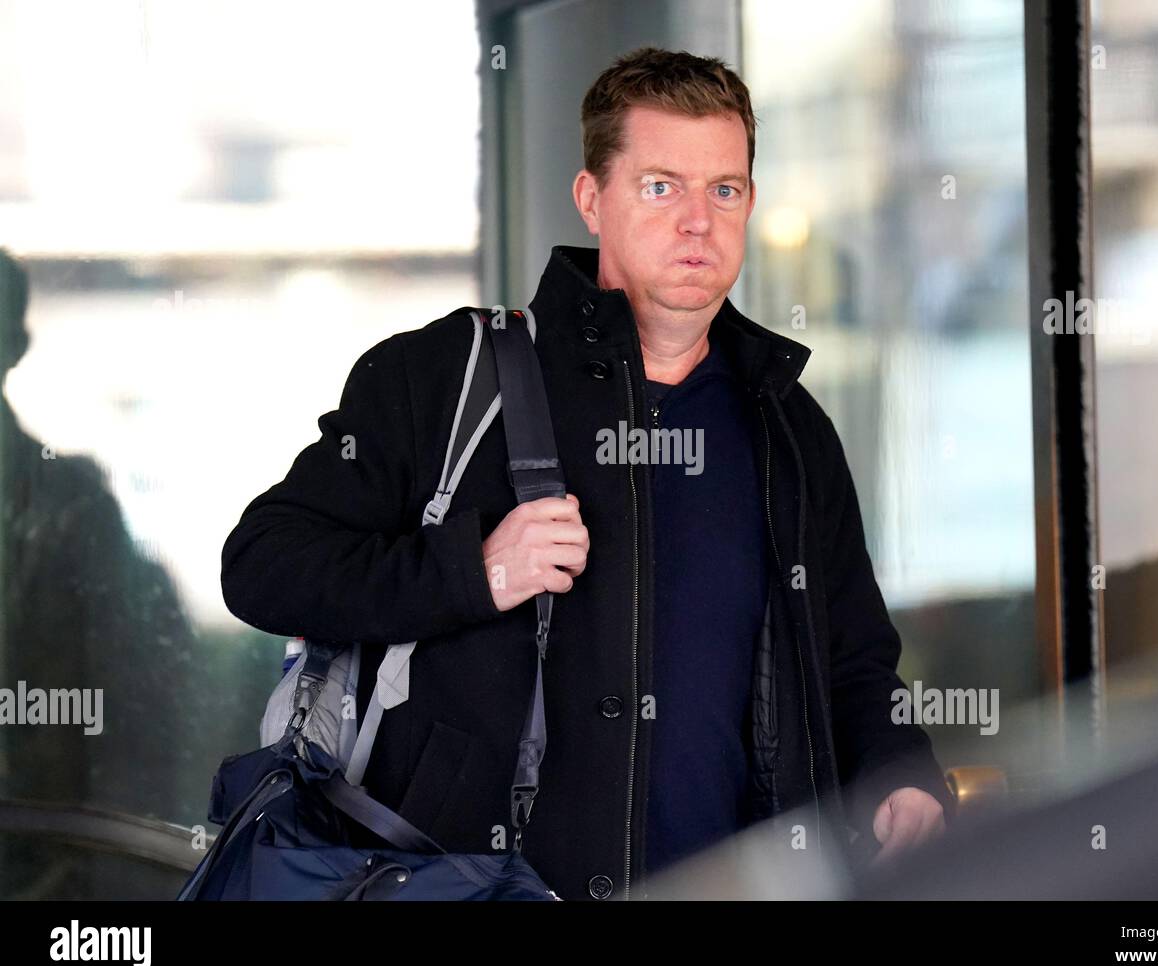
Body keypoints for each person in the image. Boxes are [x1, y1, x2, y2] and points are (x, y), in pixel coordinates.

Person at [221, 46, 952, 901]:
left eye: (724, 190)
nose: (696, 220)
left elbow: (855, 658)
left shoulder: (788, 426)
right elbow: (262, 566)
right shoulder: (446, 377)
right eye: (659, 186)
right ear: (591, 198)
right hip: (475, 887)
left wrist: (904, 771)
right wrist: (473, 571)